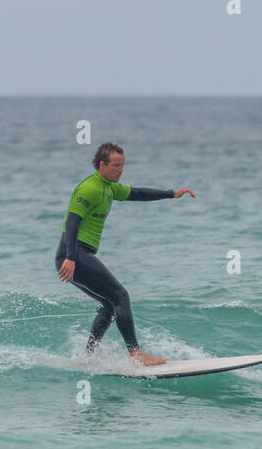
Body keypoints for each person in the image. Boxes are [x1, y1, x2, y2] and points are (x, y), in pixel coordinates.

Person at [55, 142, 195, 366]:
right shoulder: (90, 188)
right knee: (121, 296)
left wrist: (172, 194)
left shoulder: (110, 187)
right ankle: (136, 353)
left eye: (123, 165)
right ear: (102, 165)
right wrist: (71, 258)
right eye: (116, 165)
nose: (120, 170)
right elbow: (72, 222)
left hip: (78, 254)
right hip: (74, 254)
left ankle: (88, 356)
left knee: (112, 305)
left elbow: (138, 193)